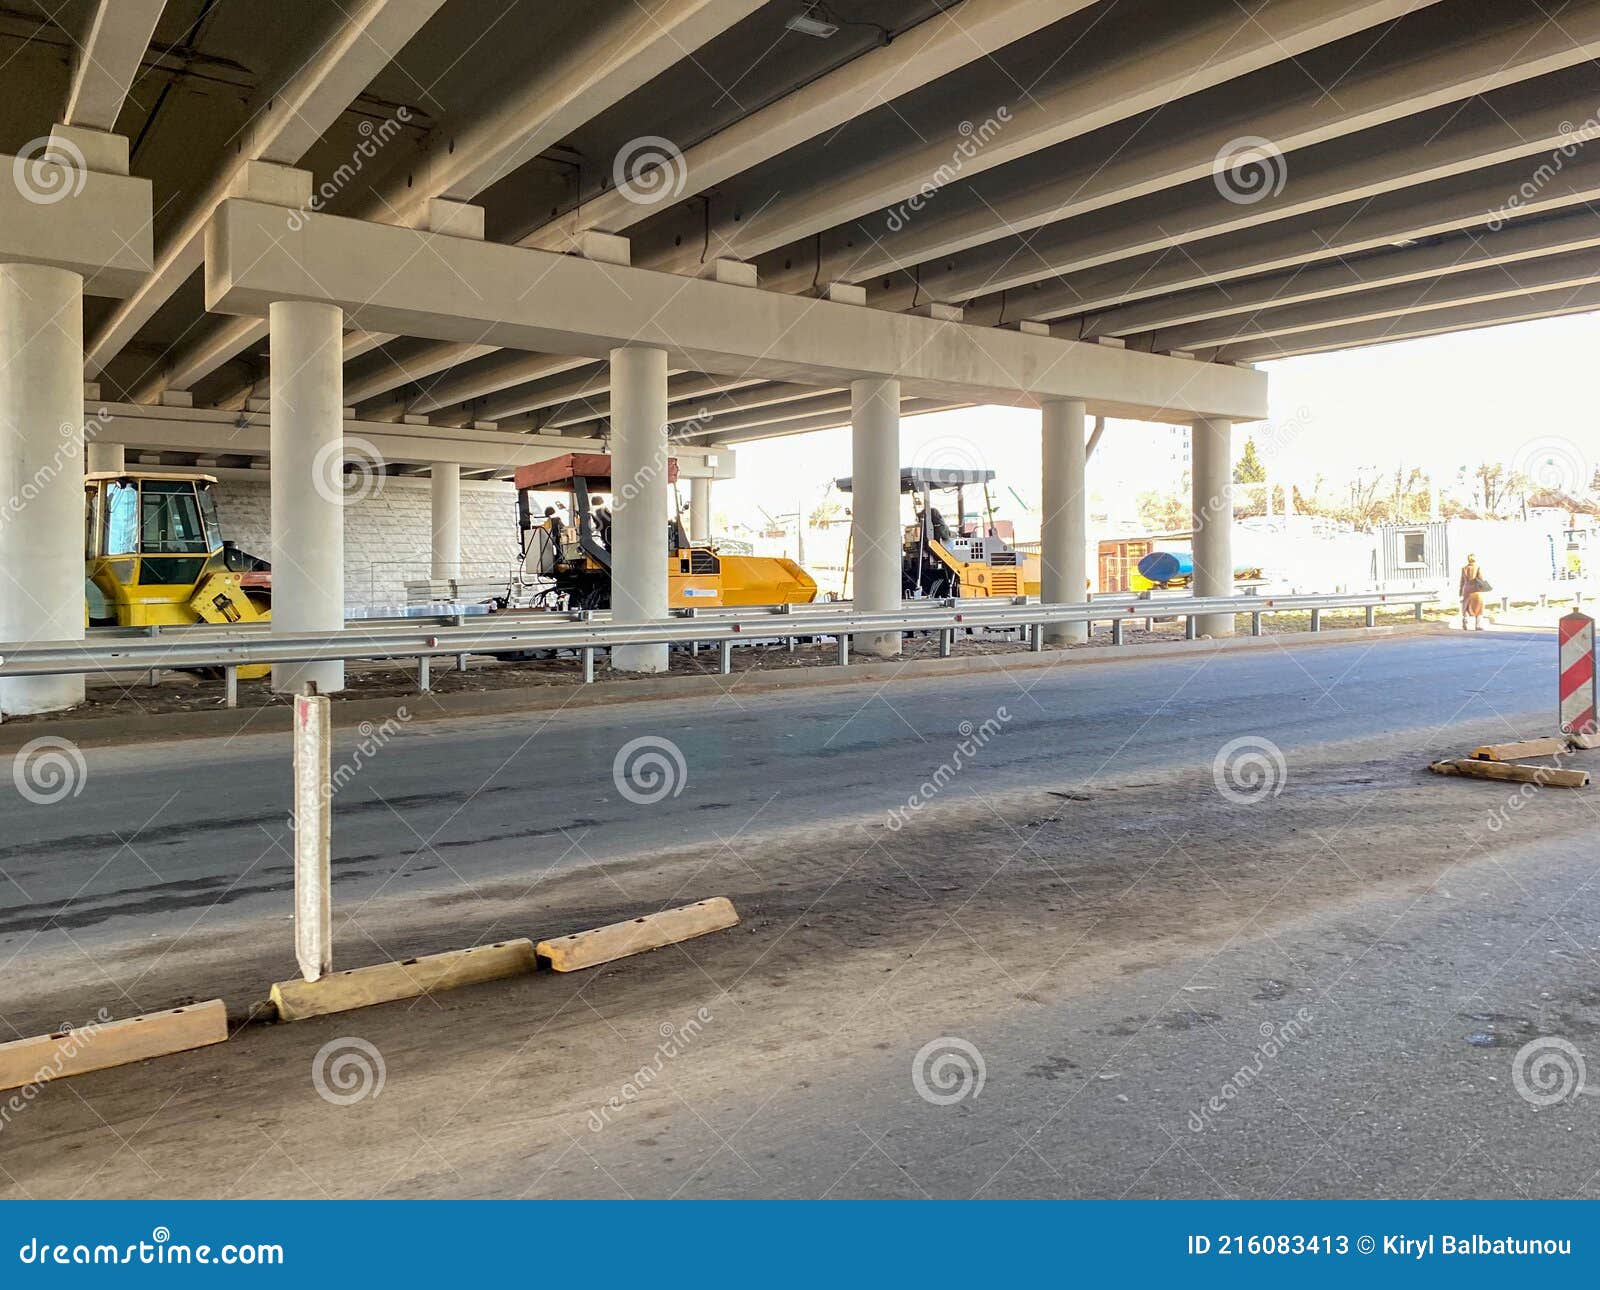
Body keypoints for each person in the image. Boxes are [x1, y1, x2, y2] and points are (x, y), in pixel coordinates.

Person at [1459, 553, 1489, 631]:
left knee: (1466, 606)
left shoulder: (1464, 568)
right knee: (1479, 607)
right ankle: (1478, 625)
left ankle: (1465, 622)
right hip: (1475, 590)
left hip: (1467, 589)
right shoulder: (1478, 567)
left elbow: (1462, 581)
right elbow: (1480, 578)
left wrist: (1460, 592)